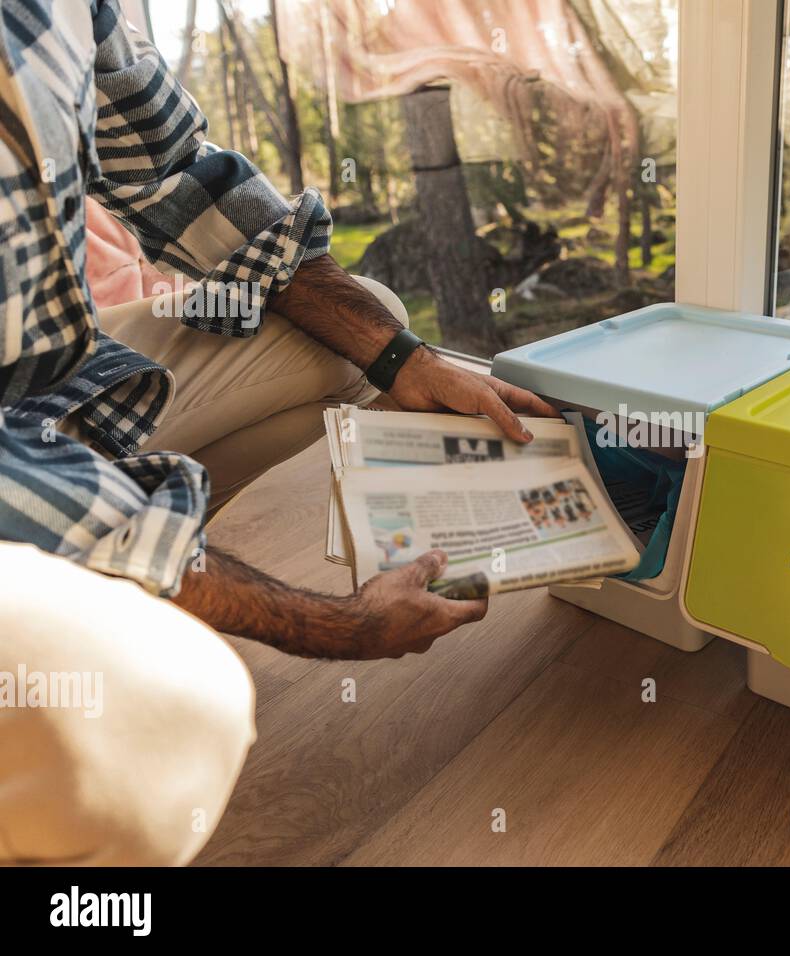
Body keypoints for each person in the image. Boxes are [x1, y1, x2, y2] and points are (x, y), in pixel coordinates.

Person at [0, 0, 553, 864]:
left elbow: (180, 173)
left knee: (349, 333)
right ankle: (120, 620)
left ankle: (134, 581)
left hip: (39, 388)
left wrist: (403, 359)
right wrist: (331, 624)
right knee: (178, 722)